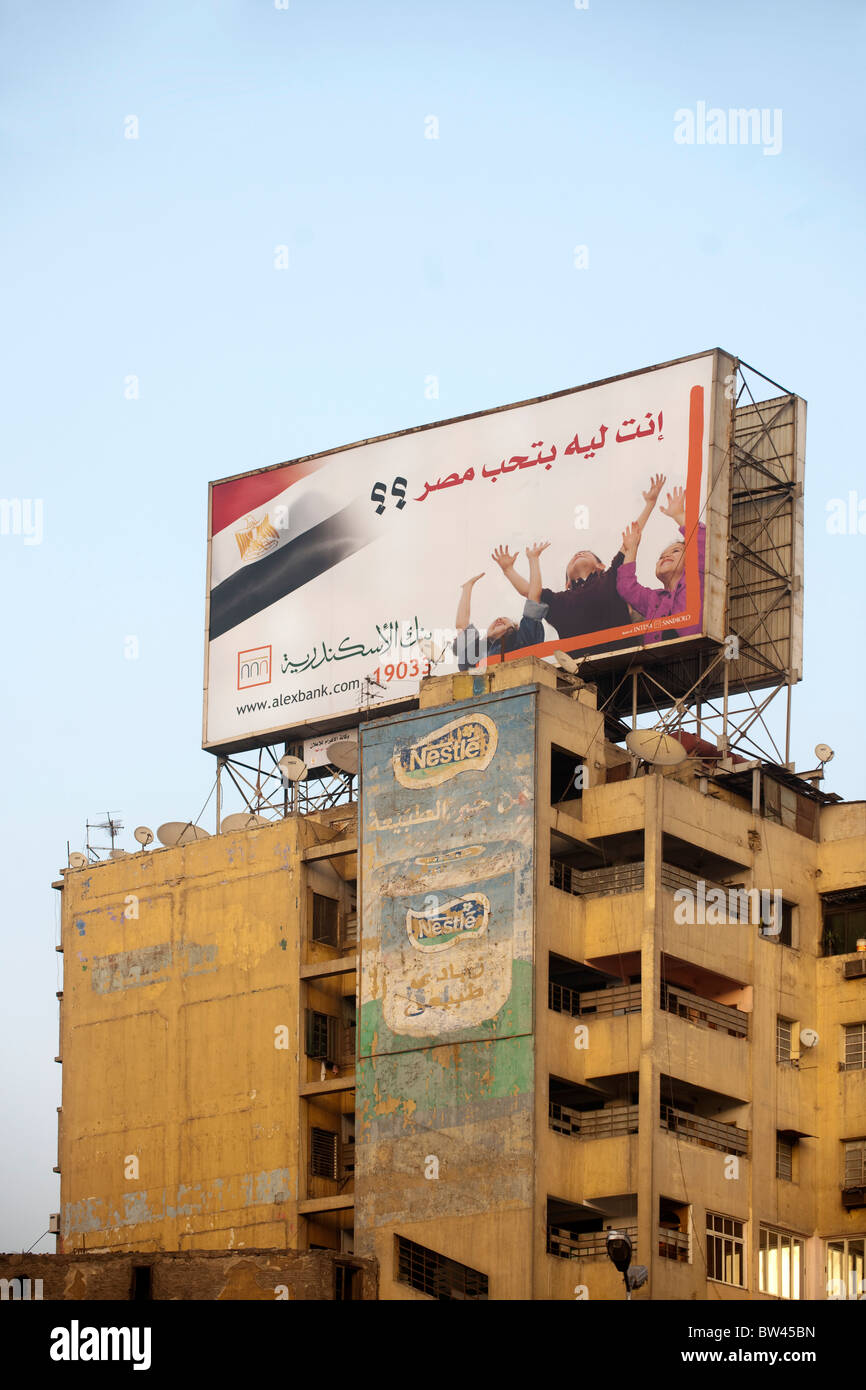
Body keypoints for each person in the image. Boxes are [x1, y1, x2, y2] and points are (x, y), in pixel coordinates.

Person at [493, 474, 667, 653]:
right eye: (574, 557)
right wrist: (508, 570)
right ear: (567, 582)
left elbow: (631, 538)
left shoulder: (611, 578)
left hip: (621, 660)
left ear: (600, 566)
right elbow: (530, 592)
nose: (578, 554)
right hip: (580, 672)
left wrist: (649, 505)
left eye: (586, 553)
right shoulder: (558, 601)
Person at [616, 485, 706, 643]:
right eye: (661, 556)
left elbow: (702, 540)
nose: (666, 556)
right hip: (661, 661)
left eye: (676, 551)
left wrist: (679, 515)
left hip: (696, 653)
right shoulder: (653, 599)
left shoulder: (698, 577)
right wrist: (632, 548)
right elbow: (626, 588)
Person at [454, 543, 548, 671]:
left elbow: (534, 599)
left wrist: (533, 559)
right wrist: (467, 587)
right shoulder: (477, 651)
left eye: (504, 618)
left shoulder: (523, 638)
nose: (499, 619)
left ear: (516, 627)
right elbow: (461, 626)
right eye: (497, 620)